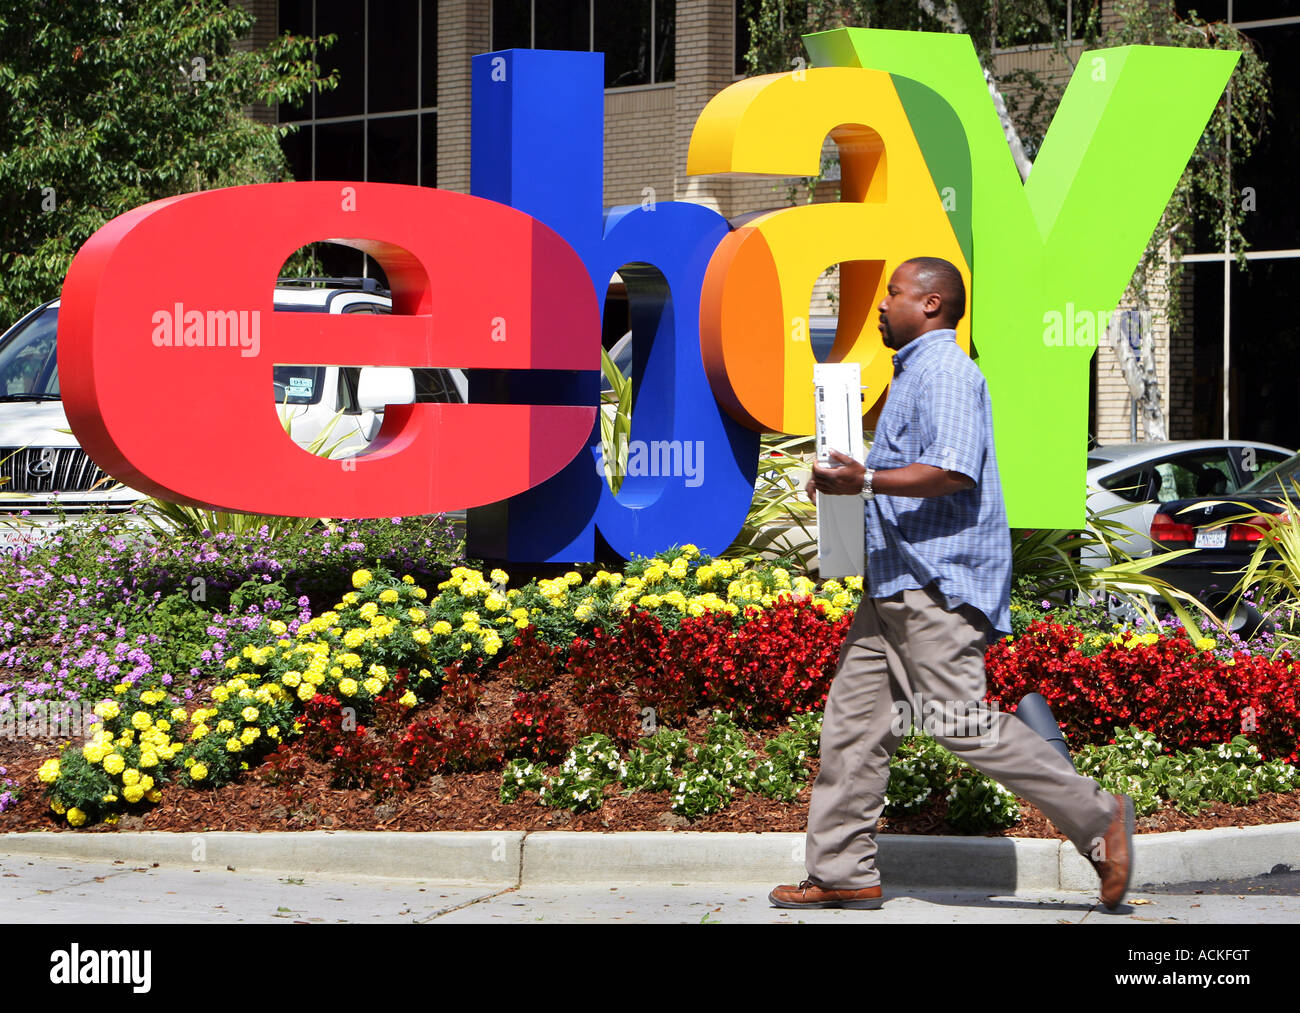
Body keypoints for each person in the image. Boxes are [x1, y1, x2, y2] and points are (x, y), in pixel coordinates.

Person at [769, 256, 1133, 911]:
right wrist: (845, 482)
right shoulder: (912, 372)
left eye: (894, 292)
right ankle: (843, 872)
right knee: (852, 727)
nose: (881, 303)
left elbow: (954, 469)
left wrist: (868, 480)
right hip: (892, 583)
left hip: (936, 582)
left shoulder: (946, 372)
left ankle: (1097, 815)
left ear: (932, 304)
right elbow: (892, 476)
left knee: (958, 721)